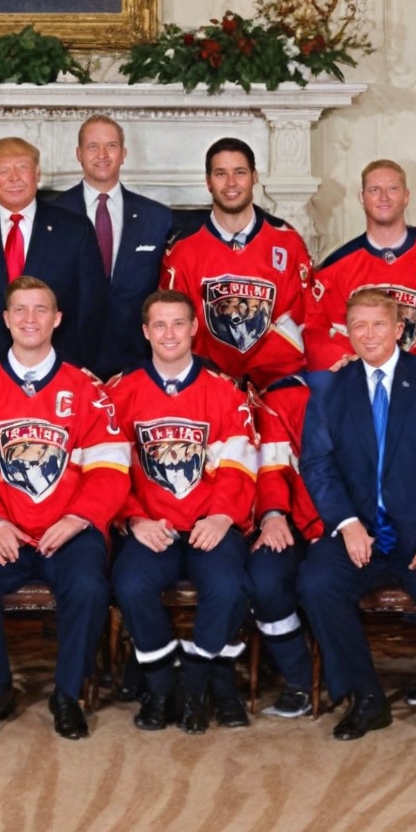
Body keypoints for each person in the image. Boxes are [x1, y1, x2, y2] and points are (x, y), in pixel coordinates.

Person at [0, 277, 129, 740]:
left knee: (89, 588)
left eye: (40, 310)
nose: (30, 319)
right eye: (20, 310)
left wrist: (77, 518)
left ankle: (67, 693)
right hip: (0, 527)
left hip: (68, 530)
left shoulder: (86, 388)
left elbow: (111, 469)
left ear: (57, 319)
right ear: (6, 319)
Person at [296, 288, 416, 750]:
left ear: (399, 330)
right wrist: (347, 524)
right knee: (316, 583)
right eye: (359, 326)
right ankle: (366, 697)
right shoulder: (330, 388)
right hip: (360, 532)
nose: (369, 335)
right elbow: (317, 464)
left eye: (379, 325)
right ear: (347, 333)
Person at [108, 290, 256, 733]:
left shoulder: (225, 391)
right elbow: (108, 472)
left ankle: (199, 682)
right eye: (159, 325)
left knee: (230, 587)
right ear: (145, 332)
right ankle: (159, 684)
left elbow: (240, 461)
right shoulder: (120, 392)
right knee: (130, 586)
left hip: (211, 521)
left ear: (194, 328)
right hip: (151, 525)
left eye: (178, 324)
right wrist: (134, 519)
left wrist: (222, 516)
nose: (169, 333)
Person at [0, 137, 107, 383]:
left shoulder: (75, 230)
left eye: (22, 168)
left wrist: (74, 370)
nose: (14, 178)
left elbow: (91, 307)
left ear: (37, 173)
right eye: (3, 170)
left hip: (58, 375)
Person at [160, 138, 313, 389]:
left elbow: (301, 317)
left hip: (273, 381)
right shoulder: (182, 250)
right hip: (206, 383)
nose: (231, 183)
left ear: (254, 177)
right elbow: (173, 325)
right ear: (208, 181)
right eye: (221, 174)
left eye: (239, 173)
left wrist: (259, 377)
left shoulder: (287, 242)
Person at [307, 159, 416, 369]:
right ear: (362, 197)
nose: (384, 197)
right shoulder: (336, 266)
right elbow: (322, 333)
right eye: (375, 190)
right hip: (361, 386)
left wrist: (408, 372)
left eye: (393, 189)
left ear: (406, 196)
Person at [51, 116, 174, 378]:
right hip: (68, 358)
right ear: (79, 154)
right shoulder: (52, 215)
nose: (103, 155)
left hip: (137, 359)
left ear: (124, 154)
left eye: (111, 145)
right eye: (93, 146)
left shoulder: (157, 217)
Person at [244, 373, 321, 718]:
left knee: (322, 585)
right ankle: (300, 679)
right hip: (292, 518)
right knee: (264, 577)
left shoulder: (385, 395)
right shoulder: (286, 397)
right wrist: (272, 514)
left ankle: (347, 677)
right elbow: (272, 466)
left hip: (352, 527)